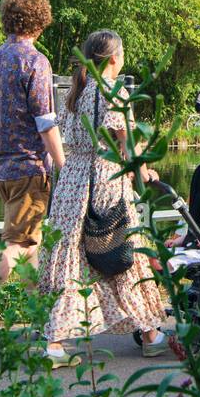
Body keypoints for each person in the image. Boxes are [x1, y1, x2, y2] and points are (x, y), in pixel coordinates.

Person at [38, 30, 170, 363]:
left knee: (72, 264)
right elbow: (125, 146)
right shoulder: (115, 91)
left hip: (72, 185)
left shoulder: (76, 92)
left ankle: (54, 343)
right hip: (104, 182)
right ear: (115, 57)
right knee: (122, 254)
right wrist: (144, 173)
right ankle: (151, 335)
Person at [0, 0, 64, 286]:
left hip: (3, 171)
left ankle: (37, 318)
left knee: (30, 245)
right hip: (30, 169)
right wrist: (63, 164)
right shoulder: (35, 62)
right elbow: (45, 122)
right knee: (17, 245)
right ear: (40, 23)